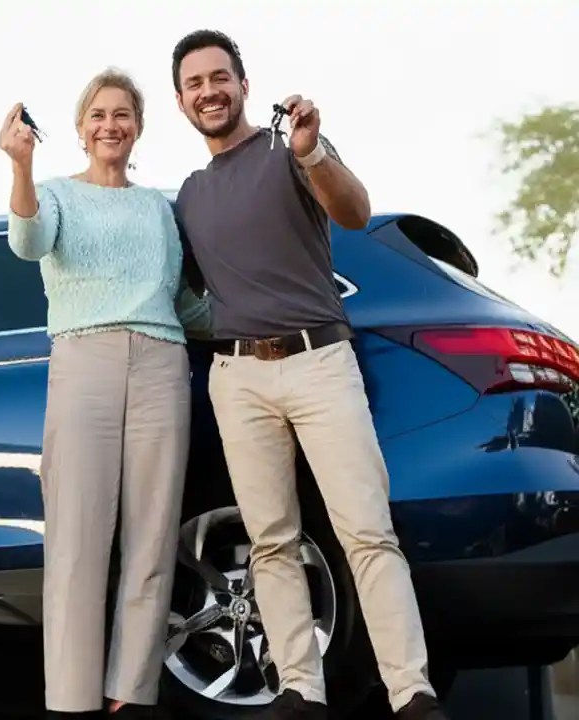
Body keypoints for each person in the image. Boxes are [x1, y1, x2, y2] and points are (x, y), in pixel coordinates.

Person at [167, 30, 448, 720]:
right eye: (195, 83)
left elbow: (353, 211)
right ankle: (300, 690)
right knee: (271, 539)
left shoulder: (291, 148)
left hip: (319, 362)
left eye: (219, 77)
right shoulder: (190, 196)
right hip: (238, 377)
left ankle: (410, 693)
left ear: (243, 85)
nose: (209, 91)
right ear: (181, 101)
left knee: (366, 532)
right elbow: (193, 293)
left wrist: (313, 152)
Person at [0, 67, 210, 719]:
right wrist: (21, 166)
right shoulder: (56, 195)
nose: (110, 125)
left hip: (161, 363)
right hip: (84, 361)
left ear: (138, 127)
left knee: (153, 535)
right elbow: (27, 241)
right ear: (80, 128)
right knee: (78, 538)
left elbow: (183, 302)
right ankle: (72, 700)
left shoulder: (159, 210)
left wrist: (264, 316)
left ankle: (132, 693)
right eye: (98, 115)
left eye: (122, 114)